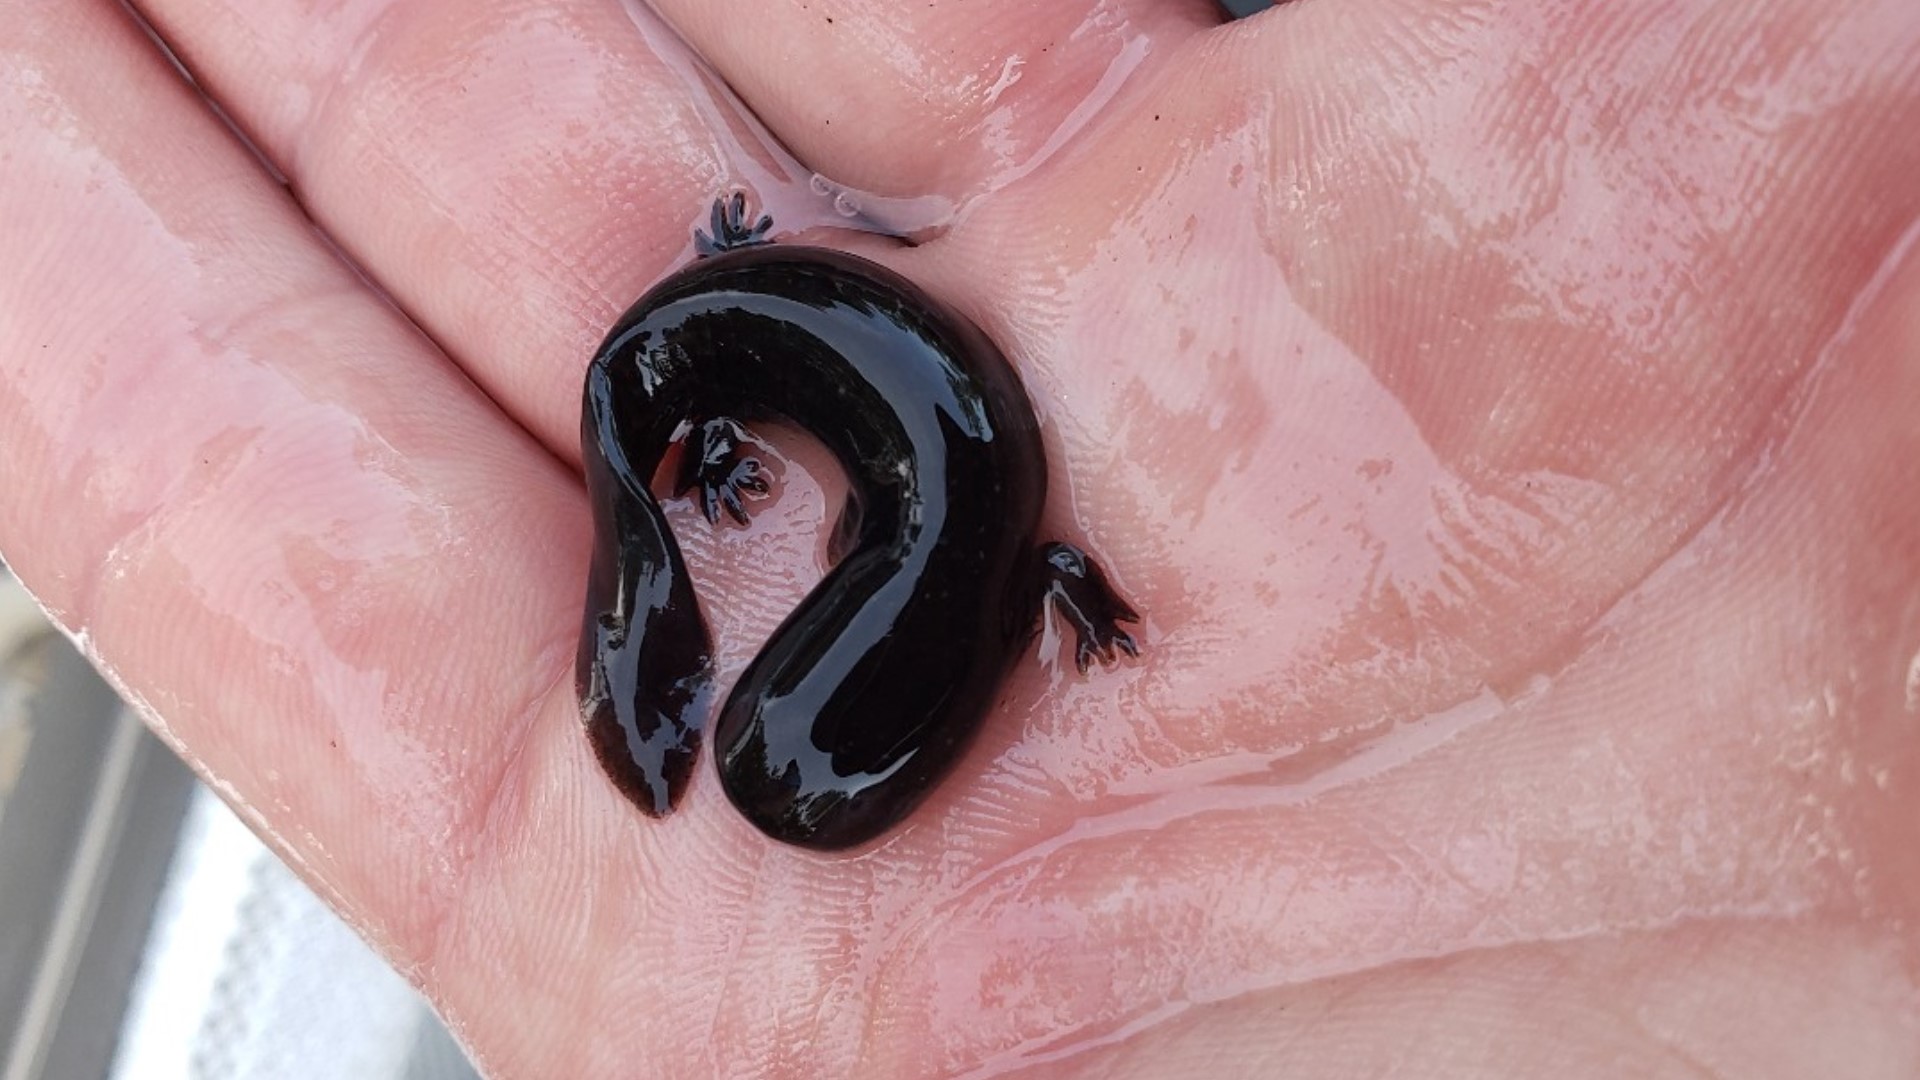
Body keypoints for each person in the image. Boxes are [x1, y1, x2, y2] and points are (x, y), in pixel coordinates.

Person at [2, 1, 1916, 1075]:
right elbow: (1014, 573)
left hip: (761, 348)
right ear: (858, 651)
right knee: (666, 407)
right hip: (729, 343)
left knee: (691, 418)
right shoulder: (988, 565)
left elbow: (1026, 586)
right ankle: (680, 444)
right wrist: (711, 421)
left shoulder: (1003, 587)